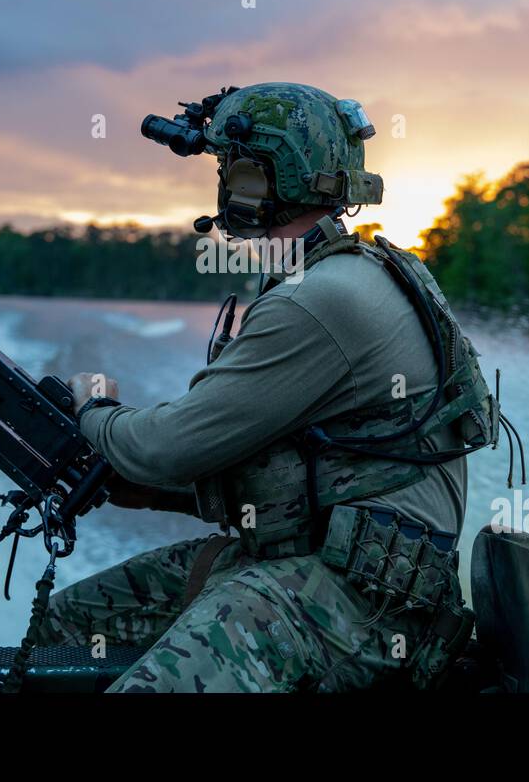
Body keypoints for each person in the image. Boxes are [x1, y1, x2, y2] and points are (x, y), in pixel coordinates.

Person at [41, 82, 499, 691]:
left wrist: (93, 410)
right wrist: (159, 493)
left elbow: (167, 447)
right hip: (330, 568)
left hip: (360, 605)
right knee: (68, 624)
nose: (226, 184)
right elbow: (319, 464)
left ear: (259, 178)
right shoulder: (350, 274)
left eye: (231, 169)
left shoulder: (316, 302)